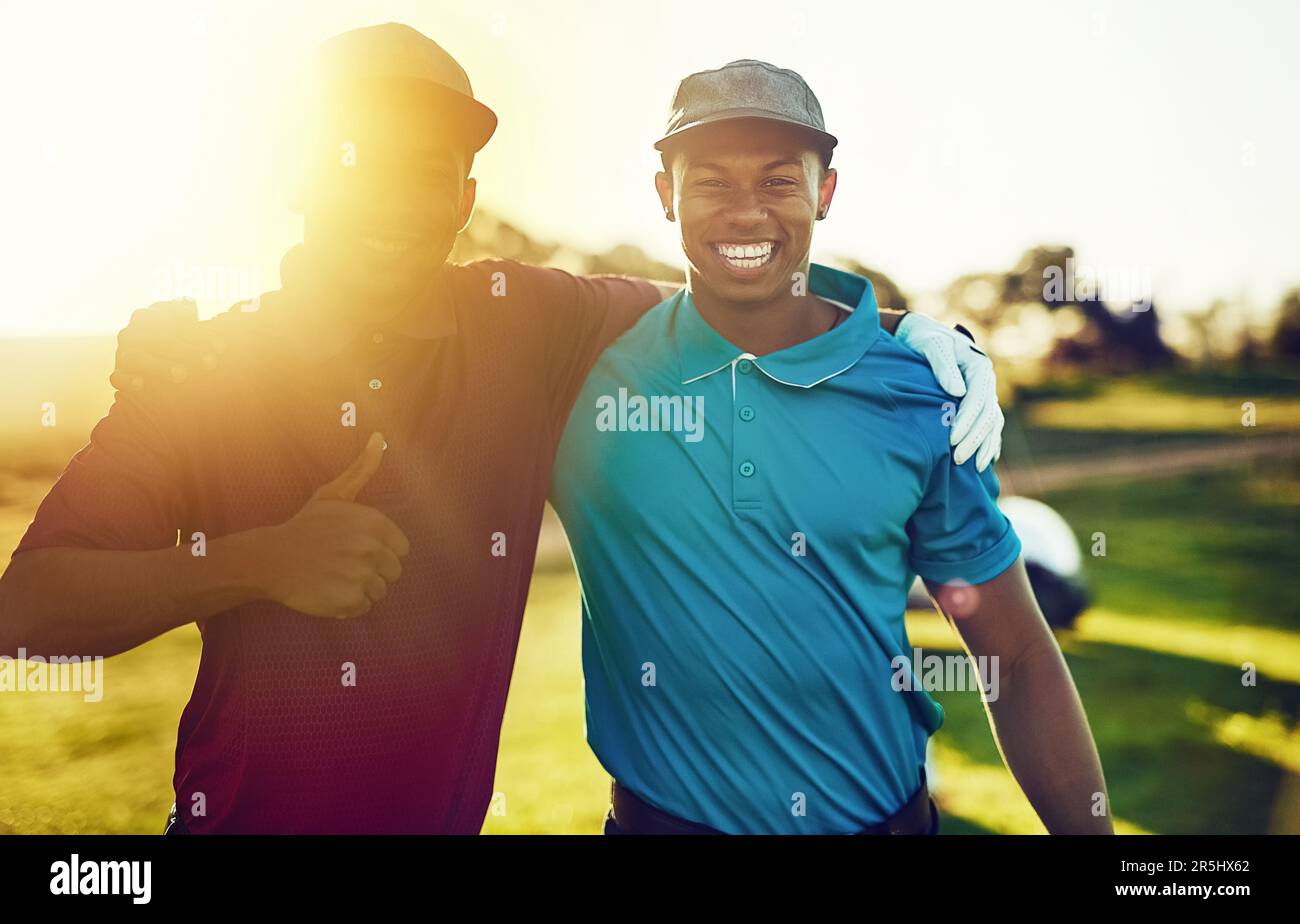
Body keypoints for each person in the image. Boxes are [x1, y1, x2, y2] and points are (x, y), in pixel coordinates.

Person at [0, 26, 1002, 833]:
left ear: (463, 197)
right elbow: (27, 612)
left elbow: (735, 289)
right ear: (297, 180)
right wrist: (257, 562)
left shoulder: (525, 322)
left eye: (426, 166)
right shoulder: (202, 371)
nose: (394, 193)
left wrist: (909, 330)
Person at [549, 60, 1112, 834]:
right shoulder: (583, 382)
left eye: (779, 181)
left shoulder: (918, 392)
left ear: (826, 192)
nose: (747, 214)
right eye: (711, 181)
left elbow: (1014, 658)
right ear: (664, 196)